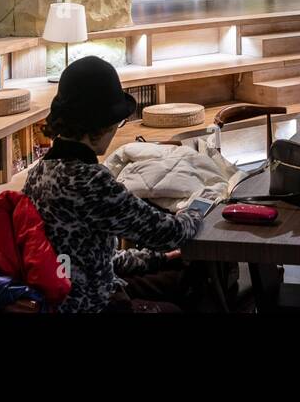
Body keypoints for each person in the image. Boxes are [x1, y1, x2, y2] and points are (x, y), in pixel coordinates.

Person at [23, 55, 205, 312]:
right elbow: (168, 233)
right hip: (92, 303)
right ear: (100, 125)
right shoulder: (89, 181)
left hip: (66, 296)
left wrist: (158, 259)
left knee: (177, 276)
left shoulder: (39, 172)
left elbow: (94, 257)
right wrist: (197, 211)